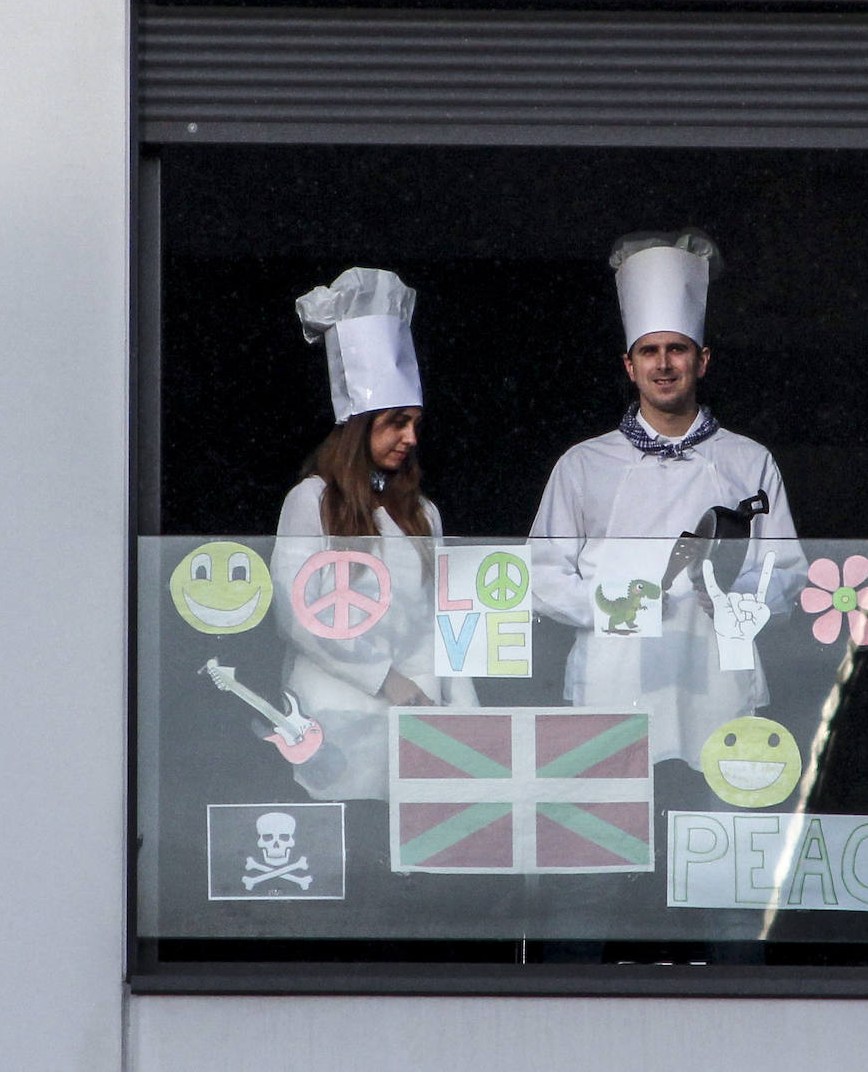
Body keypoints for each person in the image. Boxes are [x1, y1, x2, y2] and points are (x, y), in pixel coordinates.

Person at [530, 230, 806, 777]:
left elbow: (787, 569)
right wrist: (613, 607)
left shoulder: (748, 461)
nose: (663, 365)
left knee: (710, 835)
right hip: (613, 681)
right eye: (649, 352)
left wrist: (738, 600)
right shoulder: (584, 463)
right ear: (629, 366)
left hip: (716, 681)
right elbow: (540, 575)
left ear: (701, 361)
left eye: (676, 349)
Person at [270, 267, 477, 802]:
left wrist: (465, 711)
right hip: (337, 711)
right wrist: (386, 680)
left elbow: (443, 620)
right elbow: (297, 614)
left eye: (415, 423)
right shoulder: (312, 503)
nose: (410, 438)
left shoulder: (423, 514)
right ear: (359, 426)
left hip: (418, 719)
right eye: (395, 422)